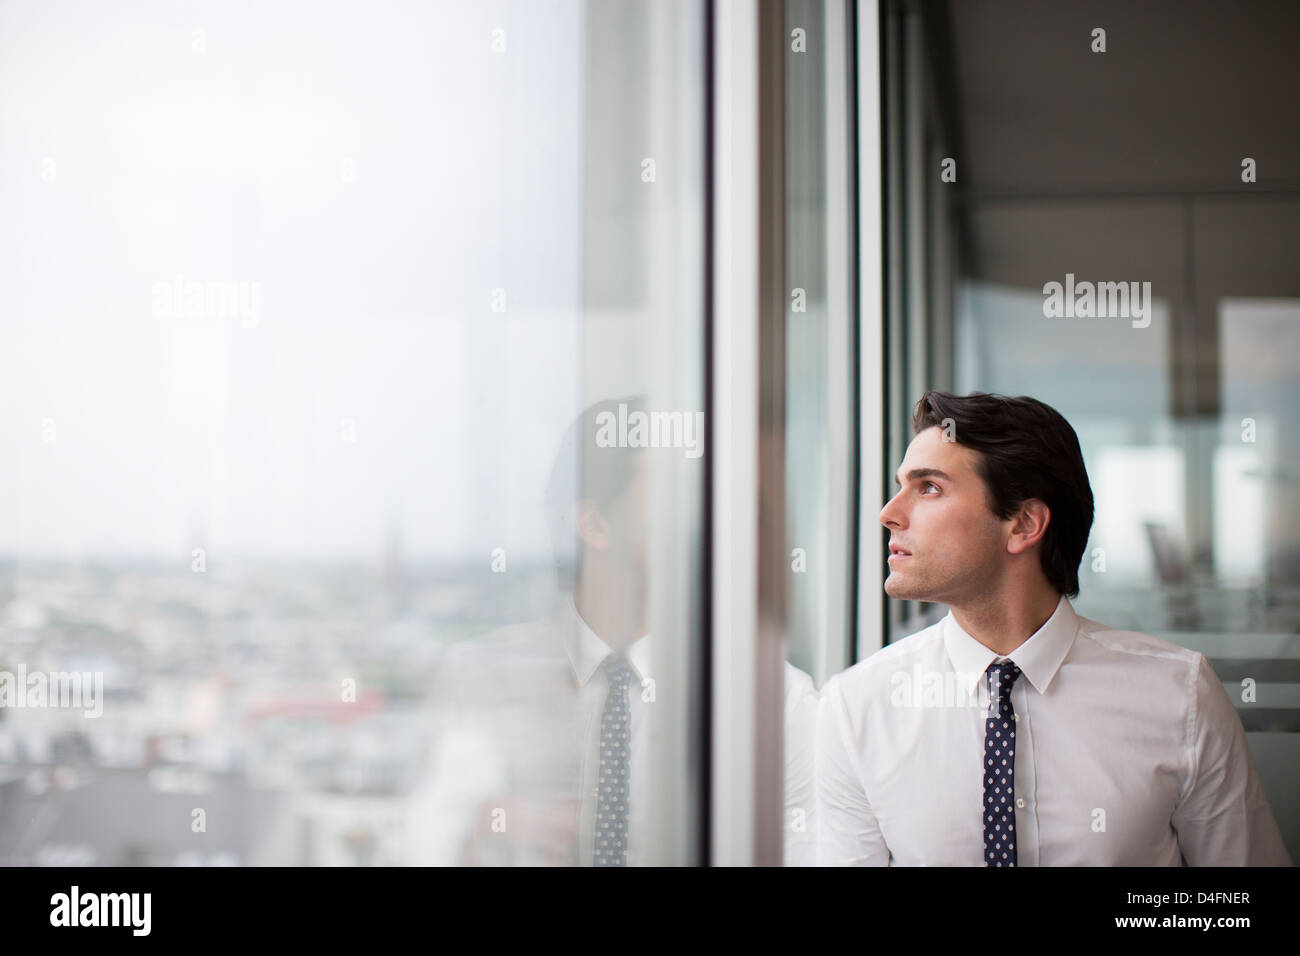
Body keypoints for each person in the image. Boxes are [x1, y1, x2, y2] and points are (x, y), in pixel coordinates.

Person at [816, 389, 1292, 866]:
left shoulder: (1180, 695)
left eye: (929, 488)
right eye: (901, 486)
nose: (889, 513)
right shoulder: (858, 708)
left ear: (1024, 524)